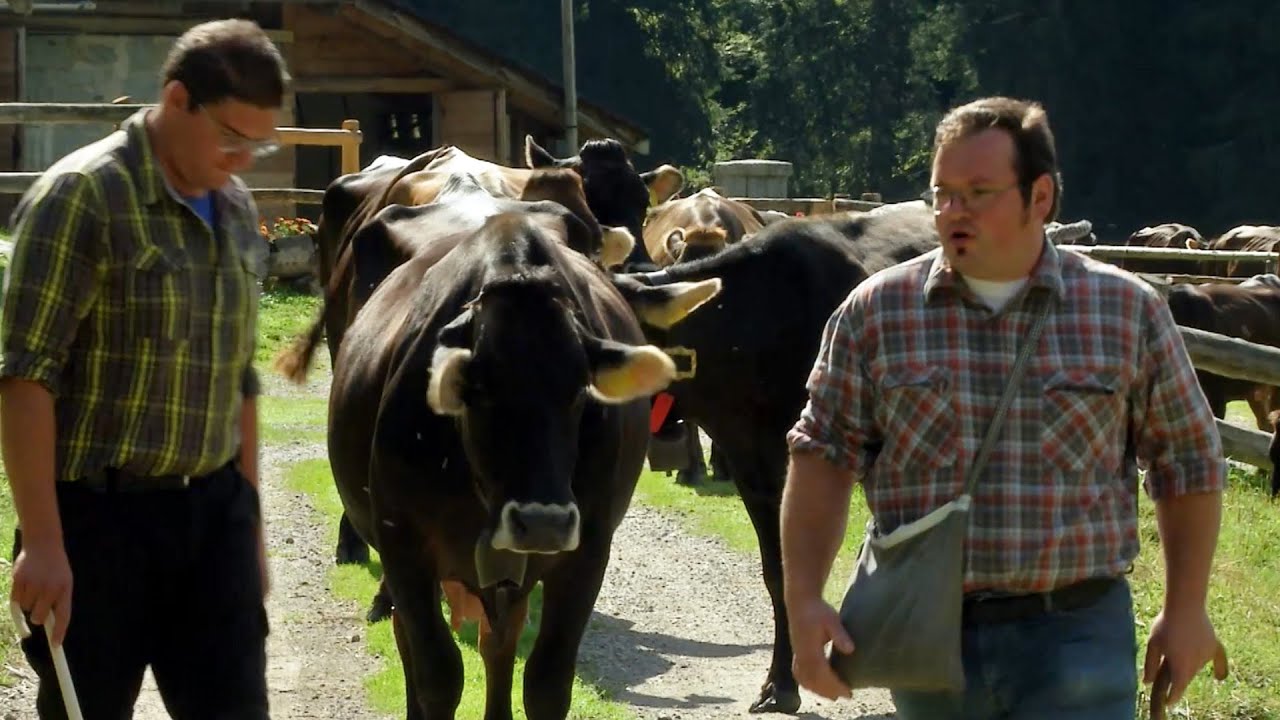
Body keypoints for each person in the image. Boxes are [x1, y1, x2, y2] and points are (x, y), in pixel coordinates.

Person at [780, 96, 1225, 719]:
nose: (951, 212)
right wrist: (803, 599)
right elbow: (822, 454)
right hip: (928, 640)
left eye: (978, 192)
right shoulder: (876, 314)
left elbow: (1190, 461)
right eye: (942, 193)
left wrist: (1186, 609)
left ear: (1039, 198)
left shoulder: (1125, 311)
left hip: (1077, 635)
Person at [1, 18, 288, 719]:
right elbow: (24, 376)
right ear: (177, 99)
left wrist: (248, 529)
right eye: (231, 137)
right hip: (99, 526)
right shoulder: (83, 197)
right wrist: (41, 541)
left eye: (260, 143)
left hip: (213, 518)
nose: (243, 159)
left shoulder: (237, 208)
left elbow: (239, 380)